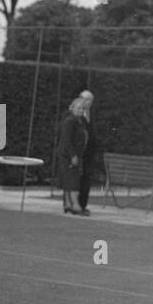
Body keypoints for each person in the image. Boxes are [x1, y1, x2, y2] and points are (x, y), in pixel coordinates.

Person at [57, 96, 89, 215]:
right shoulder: (70, 120)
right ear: (73, 107)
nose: (81, 111)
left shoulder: (78, 120)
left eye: (83, 109)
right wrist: (73, 155)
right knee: (73, 181)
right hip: (68, 155)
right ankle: (75, 205)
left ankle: (68, 205)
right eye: (79, 108)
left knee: (68, 180)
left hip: (72, 154)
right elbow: (66, 139)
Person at [76, 88, 98, 216]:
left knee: (86, 180)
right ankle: (75, 205)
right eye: (85, 99)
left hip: (89, 154)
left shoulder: (92, 114)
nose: (87, 102)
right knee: (77, 180)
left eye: (90, 100)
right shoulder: (76, 114)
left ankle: (83, 205)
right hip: (79, 153)